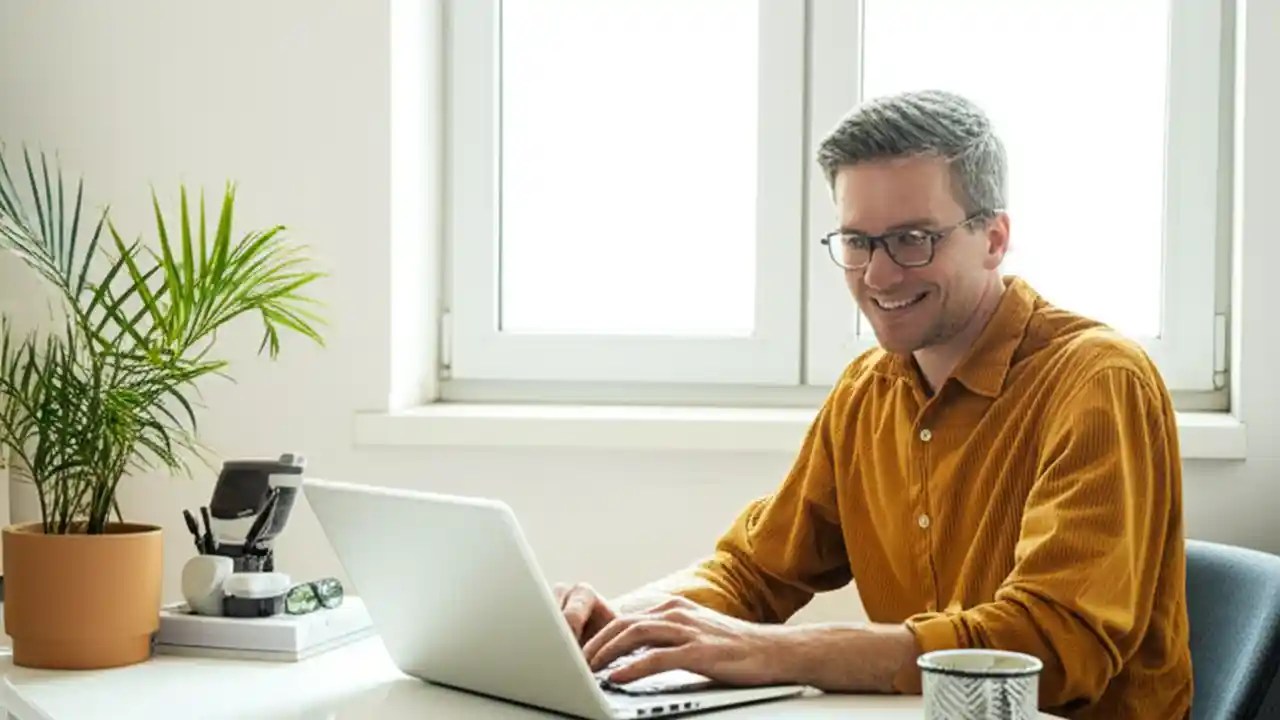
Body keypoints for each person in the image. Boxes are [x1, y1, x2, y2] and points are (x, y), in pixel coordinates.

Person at [554, 89, 1192, 720]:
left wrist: (779, 652)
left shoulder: (1098, 381)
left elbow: (1052, 652)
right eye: (857, 242)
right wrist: (616, 621)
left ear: (994, 239)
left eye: (913, 239)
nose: (879, 277)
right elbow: (754, 573)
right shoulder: (867, 390)